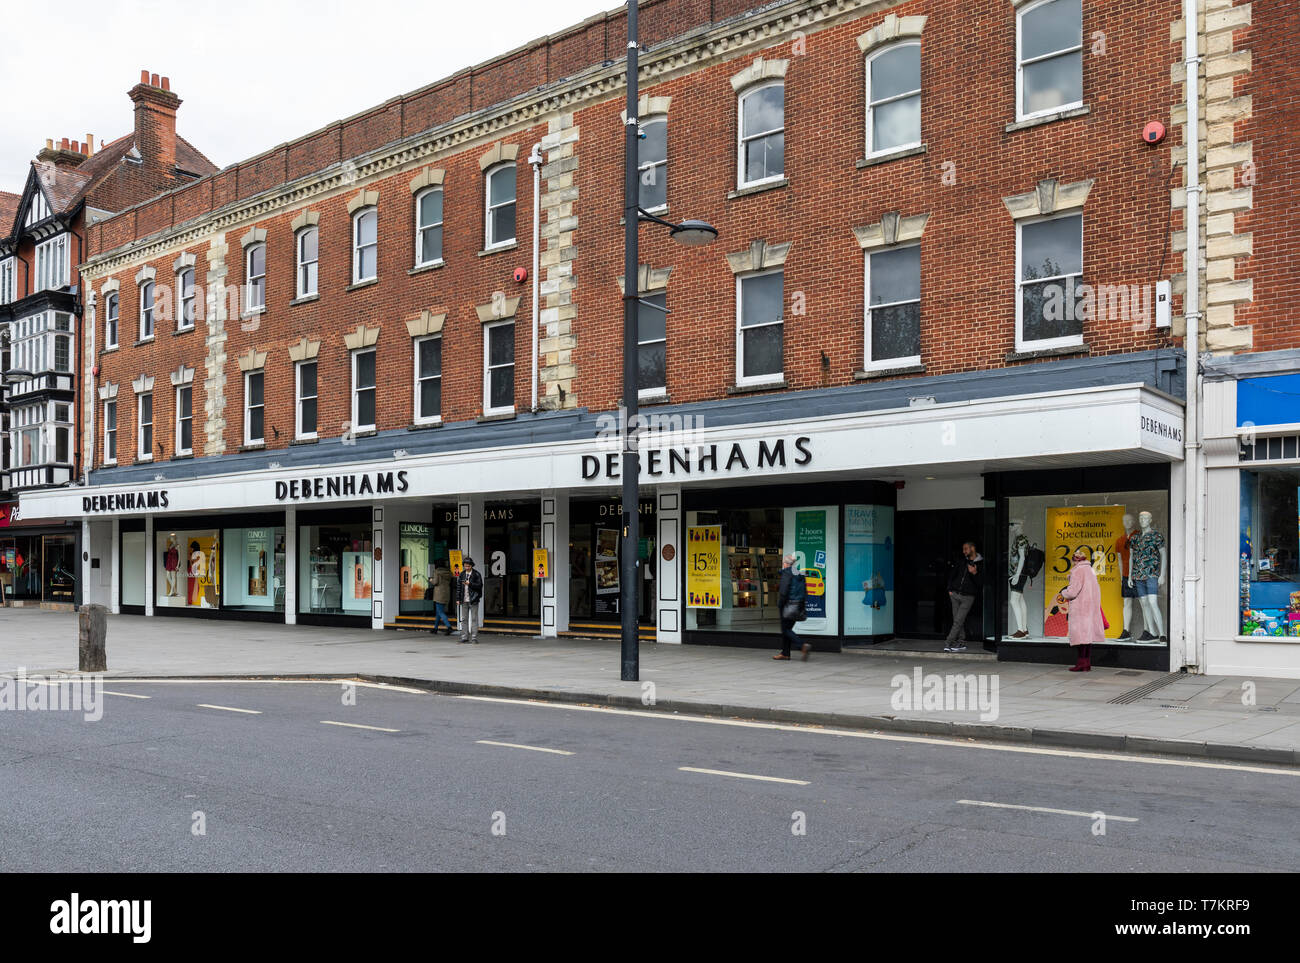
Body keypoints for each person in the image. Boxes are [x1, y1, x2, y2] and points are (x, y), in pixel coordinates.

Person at [1057, 547, 1105, 671]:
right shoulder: (1090, 570)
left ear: (1075, 561)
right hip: (1090, 608)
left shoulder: (1077, 571)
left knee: (1080, 638)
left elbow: (1072, 592)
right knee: (1087, 638)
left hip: (1080, 609)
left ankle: (1080, 664)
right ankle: (1087, 664)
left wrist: (1063, 592)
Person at [944, 541, 983, 652]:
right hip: (955, 594)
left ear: (973, 548)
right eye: (963, 549)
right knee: (957, 620)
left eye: (966, 549)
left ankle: (948, 642)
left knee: (958, 620)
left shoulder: (981, 563)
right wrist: (950, 589)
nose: (964, 551)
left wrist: (975, 573)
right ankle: (961, 642)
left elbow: (981, 583)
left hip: (968, 597)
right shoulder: (962, 561)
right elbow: (952, 574)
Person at [774, 554, 810, 661]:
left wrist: (780, 604)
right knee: (787, 629)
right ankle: (785, 653)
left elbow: (784, 591)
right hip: (798, 605)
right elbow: (805, 591)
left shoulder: (787, 573)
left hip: (788, 605)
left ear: (785, 564)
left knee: (785, 629)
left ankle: (802, 646)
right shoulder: (799, 573)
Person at [455, 556, 484, 644]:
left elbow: (479, 586)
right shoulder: (462, 574)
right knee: (464, 619)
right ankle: (464, 637)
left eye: (468, 566)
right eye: (465, 566)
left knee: (474, 619)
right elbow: (459, 587)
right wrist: (458, 599)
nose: (467, 567)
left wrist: (470, 584)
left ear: (471, 566)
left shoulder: (476, 574)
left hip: (473, 599)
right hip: (464, 600)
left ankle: (474, 638)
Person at [429, 558, 453, 636]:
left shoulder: (437, 572)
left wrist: (431, 580)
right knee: (438, 612)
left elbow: (435, 582)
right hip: (446, 592)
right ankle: (435, 628)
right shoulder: (448, 572)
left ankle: (449, 627)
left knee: (440, 612)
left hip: (439, 593)